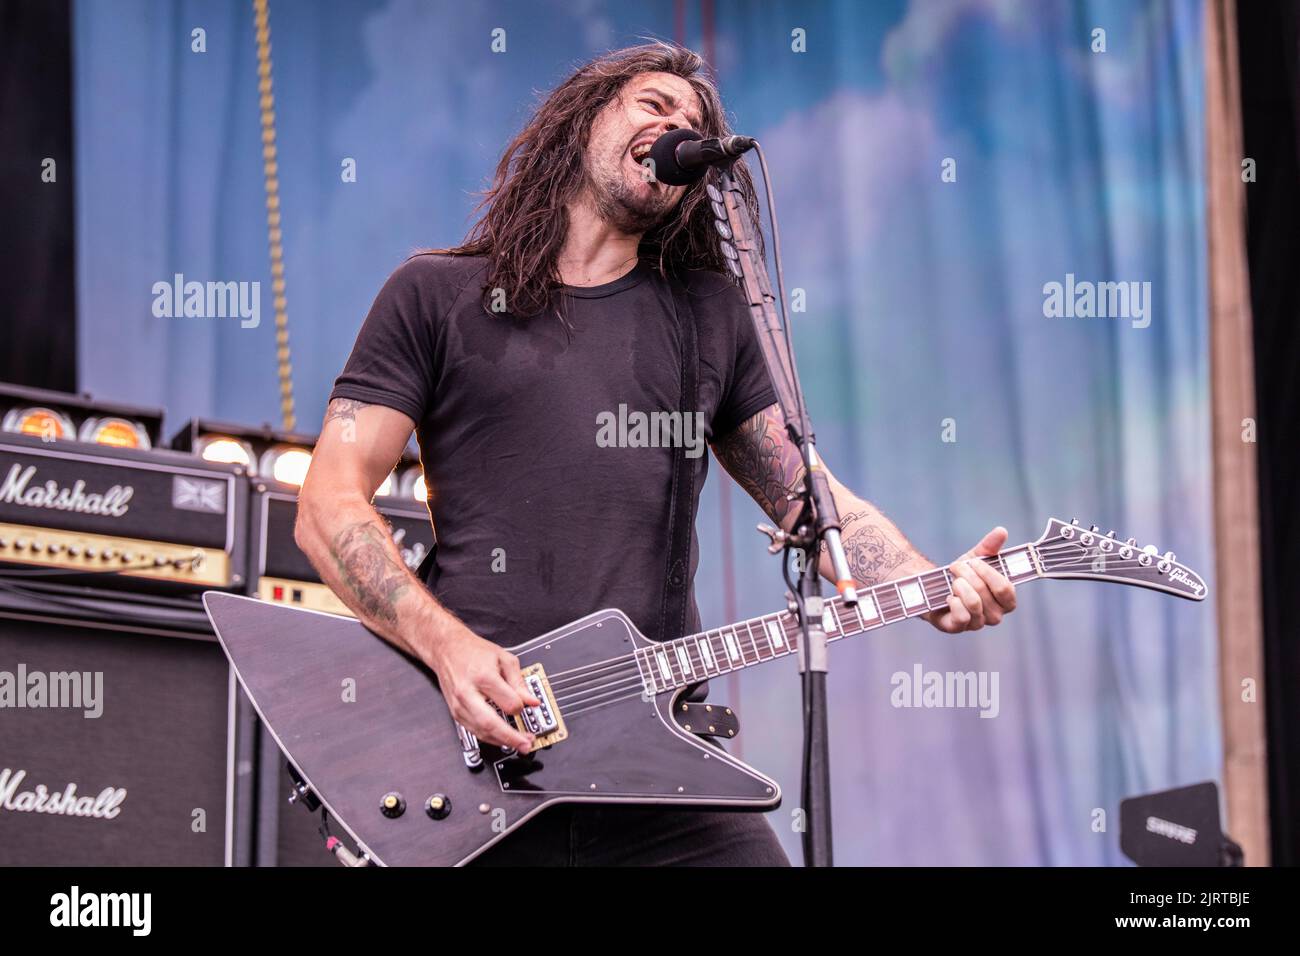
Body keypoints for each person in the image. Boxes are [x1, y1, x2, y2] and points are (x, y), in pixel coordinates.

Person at [294, 41, 1017, 866]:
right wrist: (449, 651)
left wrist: (928, 585)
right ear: (582, 122)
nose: (680, 125)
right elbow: (327, 506)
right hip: (475, 740)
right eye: (653, 105)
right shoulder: (435, 296)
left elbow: (810, 502)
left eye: (697, 121)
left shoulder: (708, 317)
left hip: (652, 749)